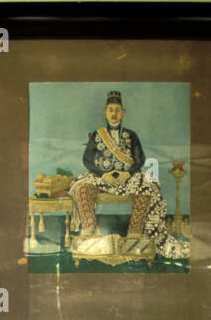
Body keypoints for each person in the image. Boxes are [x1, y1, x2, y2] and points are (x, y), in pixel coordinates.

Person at [68, 90, 189, 260]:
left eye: (117, 110)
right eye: (111, 110)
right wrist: (103, 174)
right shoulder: (97, 134)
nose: (114, 114)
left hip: (128, 178)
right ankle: (91, 234)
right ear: (105, 112)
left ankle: (134, 235)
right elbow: (87, 160)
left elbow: (140, 159)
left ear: (123, 113)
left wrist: (127, 173)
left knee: (147, 186)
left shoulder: (131, 135)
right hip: (102, 178)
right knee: (80, 187)